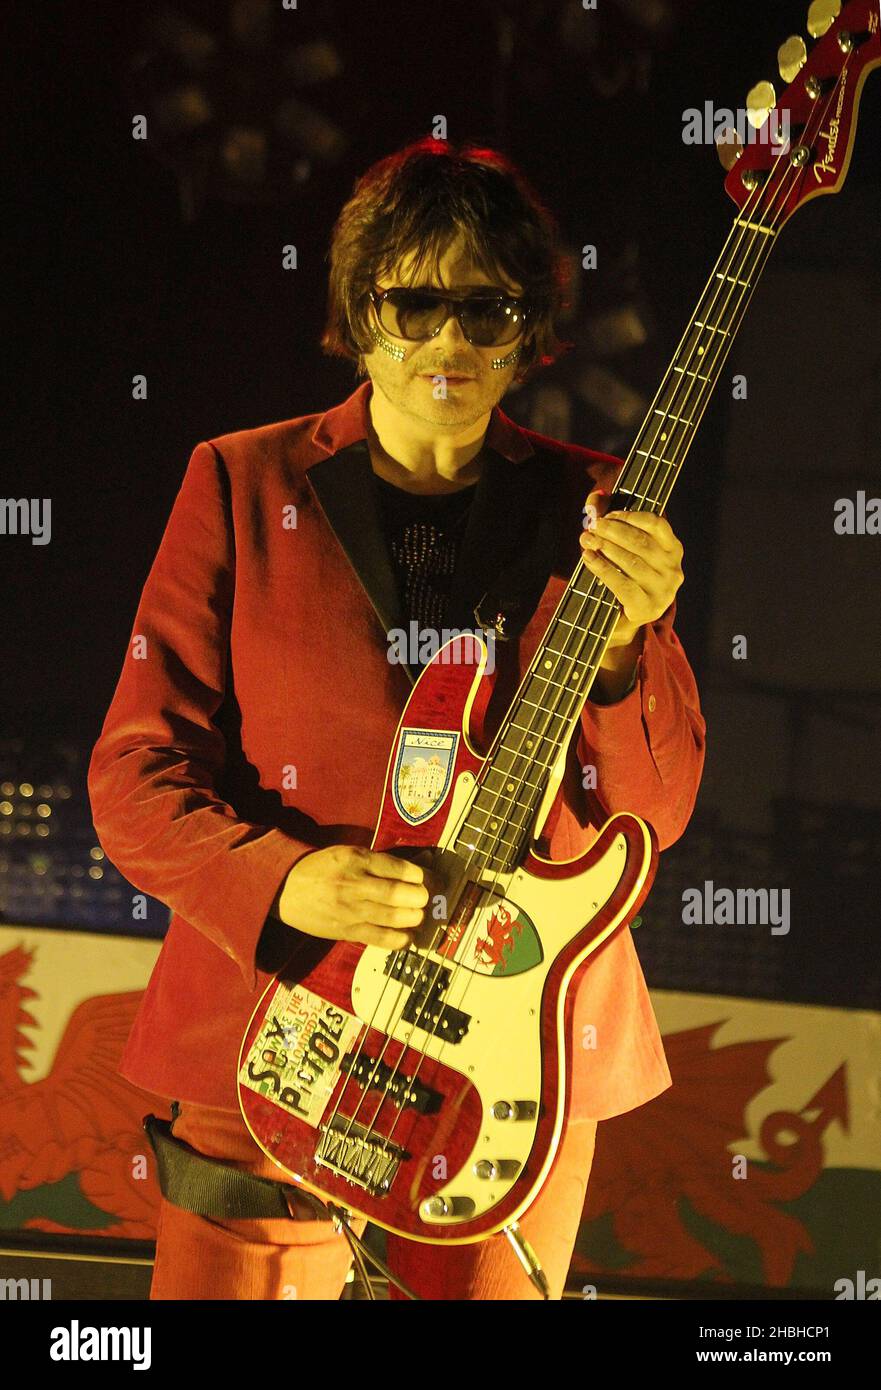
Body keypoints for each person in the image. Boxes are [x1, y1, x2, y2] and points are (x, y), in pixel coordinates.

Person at [88, 136, 705, 1301]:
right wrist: (283, 881)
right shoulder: (236, 480)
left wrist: (625, 652)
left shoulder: (598, 510)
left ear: (526, 332)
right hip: (274, 1023)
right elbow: (133, 775)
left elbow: (652, 815)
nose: (447, 342)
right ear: (355, 313)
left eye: (485, 310)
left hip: (507, 1055)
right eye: (413, 302)